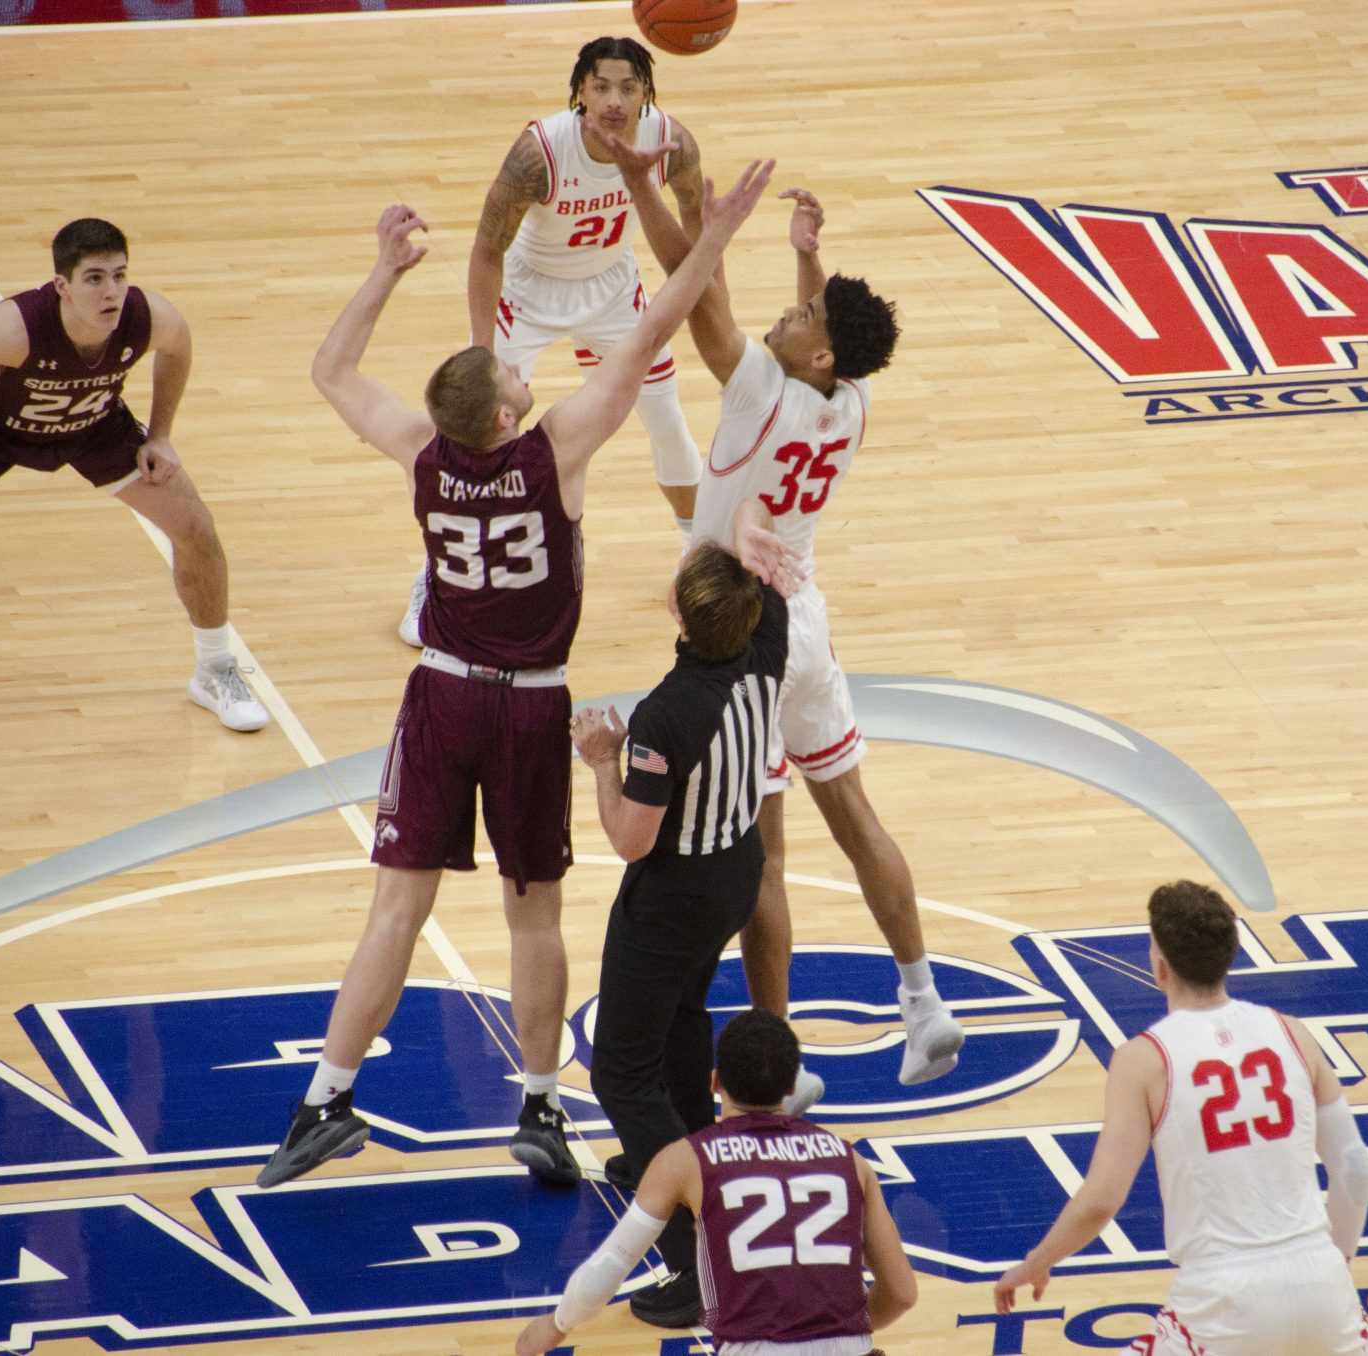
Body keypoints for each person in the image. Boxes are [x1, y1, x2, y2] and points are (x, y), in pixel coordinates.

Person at [255, 150, 773, 1193]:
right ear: (501, 418)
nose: (526, 379)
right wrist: (711, 238)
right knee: (530, 914)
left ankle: (324, 1099)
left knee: (393, 910)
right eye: (512, 381)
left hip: (441, 695)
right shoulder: (556, 451)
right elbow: (648, 334)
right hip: (532, 707)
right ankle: (539, 1104)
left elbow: (329, 374)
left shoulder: (422, 450)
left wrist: (384, 273)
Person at [597, 133, 964, 1105]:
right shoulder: (847, 404)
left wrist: (650, 186)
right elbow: (830, 338)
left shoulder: (761, 389)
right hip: (806, 618)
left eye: (798, 309)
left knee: (760, 851)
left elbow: (695, 293)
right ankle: (921, 1000)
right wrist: (807, 254)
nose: (783, 308)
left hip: (745, 636)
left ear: (815, 352)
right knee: (852, 811)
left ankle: (778, 1062)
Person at [0, 218, 268, 767]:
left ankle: (215, 669)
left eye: (120, 276)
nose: (111, 292)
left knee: (195, 527)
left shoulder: (149, 316)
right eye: (95, 279)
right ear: (62, 285)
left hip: (90, 426)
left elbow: (179, 347)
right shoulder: (16, 329)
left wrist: (161, 434)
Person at [391, 35, 708, 647]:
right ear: (580, 92)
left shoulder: (671, 142)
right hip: (529, 294)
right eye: (600, 87)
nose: (614, 100)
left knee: (667, 418)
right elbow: (487, 249)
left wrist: (707, 297)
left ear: (646, 93)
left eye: (627, 87)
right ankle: (434, 573)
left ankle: (699, 552)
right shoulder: (538, 154)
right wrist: (482, 352)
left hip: (614, 291)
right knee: (474, 435)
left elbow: (696, 220)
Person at [567, 503, 796, 1324]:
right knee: (679, 1027)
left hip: (672, 896)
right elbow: (774, 591)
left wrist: (601, 759)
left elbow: (631, 840)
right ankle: (695, 1156)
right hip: (737, 873)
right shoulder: (765, 650)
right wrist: (746, 549)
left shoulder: (666, 713)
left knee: (619, 1072)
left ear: (678, 613)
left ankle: (700, 1253)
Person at [995, 881, 1368, 1356]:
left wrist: (1038, 1260)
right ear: (1230, 956)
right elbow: (1356, 1172)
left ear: (1159, 966)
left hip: (1225, 1298)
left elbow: (1101, 1201)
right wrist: (1334, 1261)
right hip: (1323, 1286)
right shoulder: (1294, 1034)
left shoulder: (1143, 1059)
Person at [514, 1009, 917, 1352]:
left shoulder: (685, 1160)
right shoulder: (851, 1161)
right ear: (793, 1086)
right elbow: (901, 1292)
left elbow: (612, 1263)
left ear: (716, 1081)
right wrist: (841, 1334)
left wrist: (556, 1325)